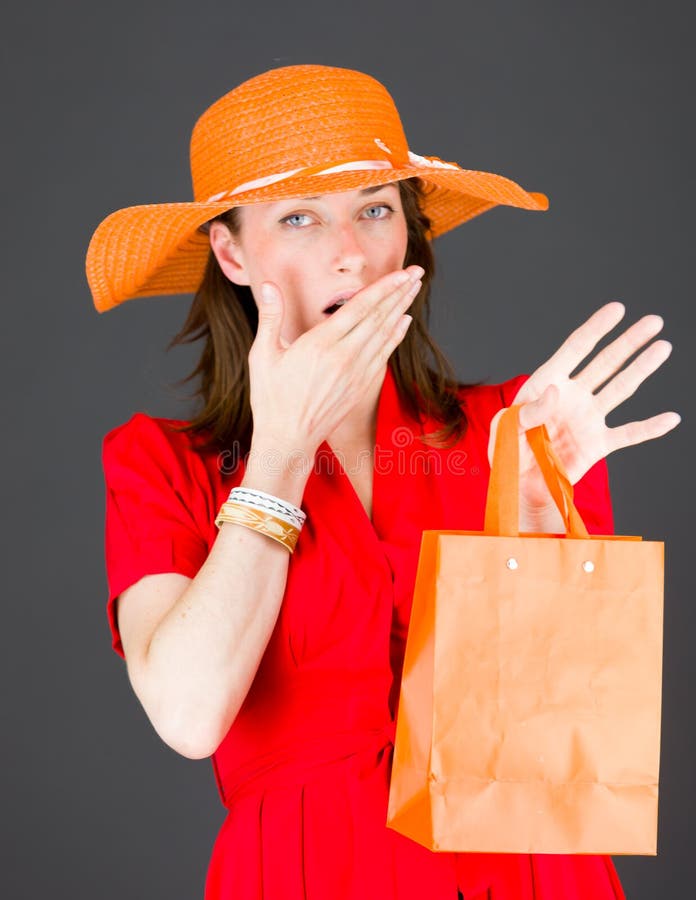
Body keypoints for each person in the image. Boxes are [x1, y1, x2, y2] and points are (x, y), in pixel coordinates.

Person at [87, 64, 678, 900]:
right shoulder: (161, 463)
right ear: (230, 251)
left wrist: (536, 521)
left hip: (531, 871)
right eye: (299, 218)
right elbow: (189, 715)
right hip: (300, 874)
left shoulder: (514, 430)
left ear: (409, 232)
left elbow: (548, 735)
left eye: (374, 210)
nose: (351, 254)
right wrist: (283, 452)